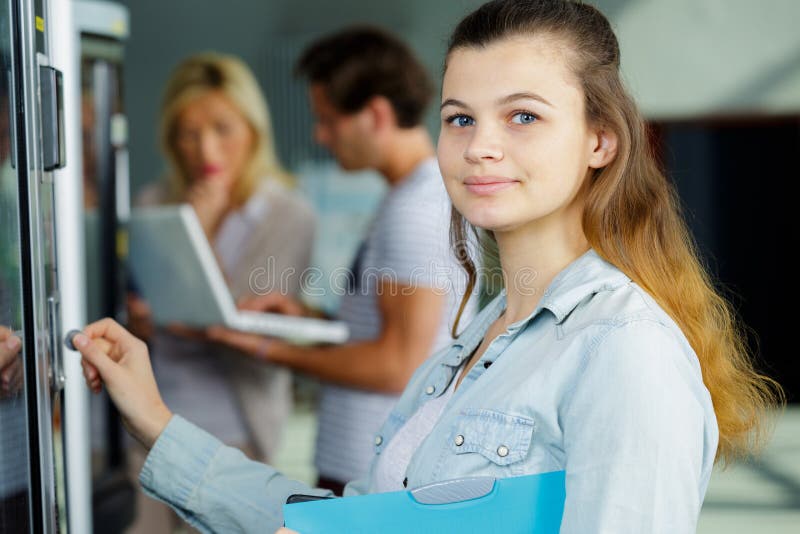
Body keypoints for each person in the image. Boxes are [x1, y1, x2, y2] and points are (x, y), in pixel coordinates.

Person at [75, 1, 783, 532]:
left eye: (524, 117)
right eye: (460, 117)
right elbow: (349, 523)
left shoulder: (623, 352)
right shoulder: (465, 348)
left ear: (600, 139)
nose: (480, 147)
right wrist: (156, 422)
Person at [205, 27, 471, 494]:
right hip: (363, 468)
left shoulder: (418, 209)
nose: (320, 135)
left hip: (373, 479)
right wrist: (304, 321)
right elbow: (386, 334)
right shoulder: (407, 198)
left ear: (375, 114)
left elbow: (398, 363)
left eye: (329, 120)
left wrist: (268, 349)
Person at [126, 53, 316, 531]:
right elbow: (142, 312)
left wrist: (199, 230)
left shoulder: (288, 216)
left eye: (222, 128)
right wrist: (140, 320)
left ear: (252, 130)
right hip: (152, 423)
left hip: (235, 434)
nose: (206, 150)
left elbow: (226, 322)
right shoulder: (151, 203)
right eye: (188, 134)